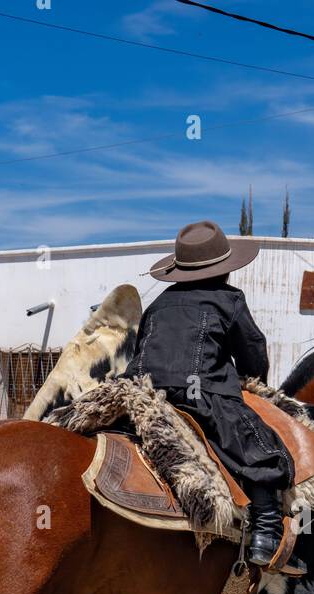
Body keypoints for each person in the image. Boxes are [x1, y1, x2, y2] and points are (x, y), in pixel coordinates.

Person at [128, 220, 303, 574]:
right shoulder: (229, 300)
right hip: (201, 394)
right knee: (263, 451)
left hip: (140, 392)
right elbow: (253, 350)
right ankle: (266, 533)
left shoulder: (159, 304)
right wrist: (255, 384)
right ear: (224, 270)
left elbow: (142, 348)